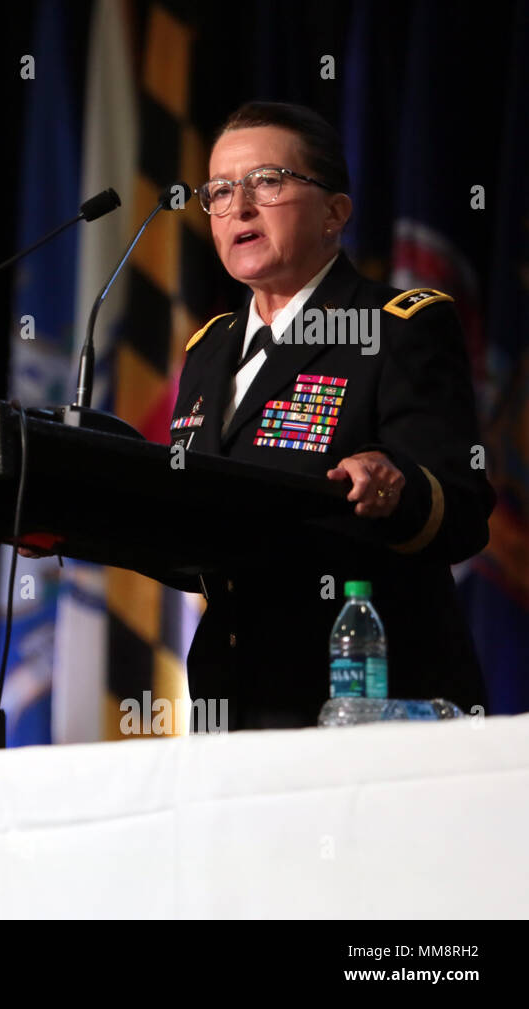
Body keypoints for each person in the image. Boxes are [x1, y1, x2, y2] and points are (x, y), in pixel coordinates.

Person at [171, 101, 493, 729]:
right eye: (219, 190)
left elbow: (462, 509)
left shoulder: (397, 326)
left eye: (267, 182)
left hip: (368, 700)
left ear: (335, 213)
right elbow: (196, 526)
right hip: (232, 703)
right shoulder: (207, 351)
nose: (239, 207)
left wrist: (395, 485)